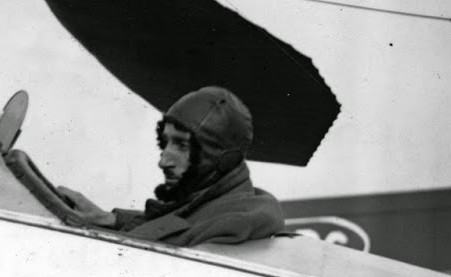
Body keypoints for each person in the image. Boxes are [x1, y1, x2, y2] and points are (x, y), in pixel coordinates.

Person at [57, 86, 284, 246]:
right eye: (166, 143)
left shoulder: (237, 223)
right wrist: (110, 219)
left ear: (225, 159)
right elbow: (183, 221)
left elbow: (164, 255)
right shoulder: (214, 203)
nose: (163, 161)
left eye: (182, 146)